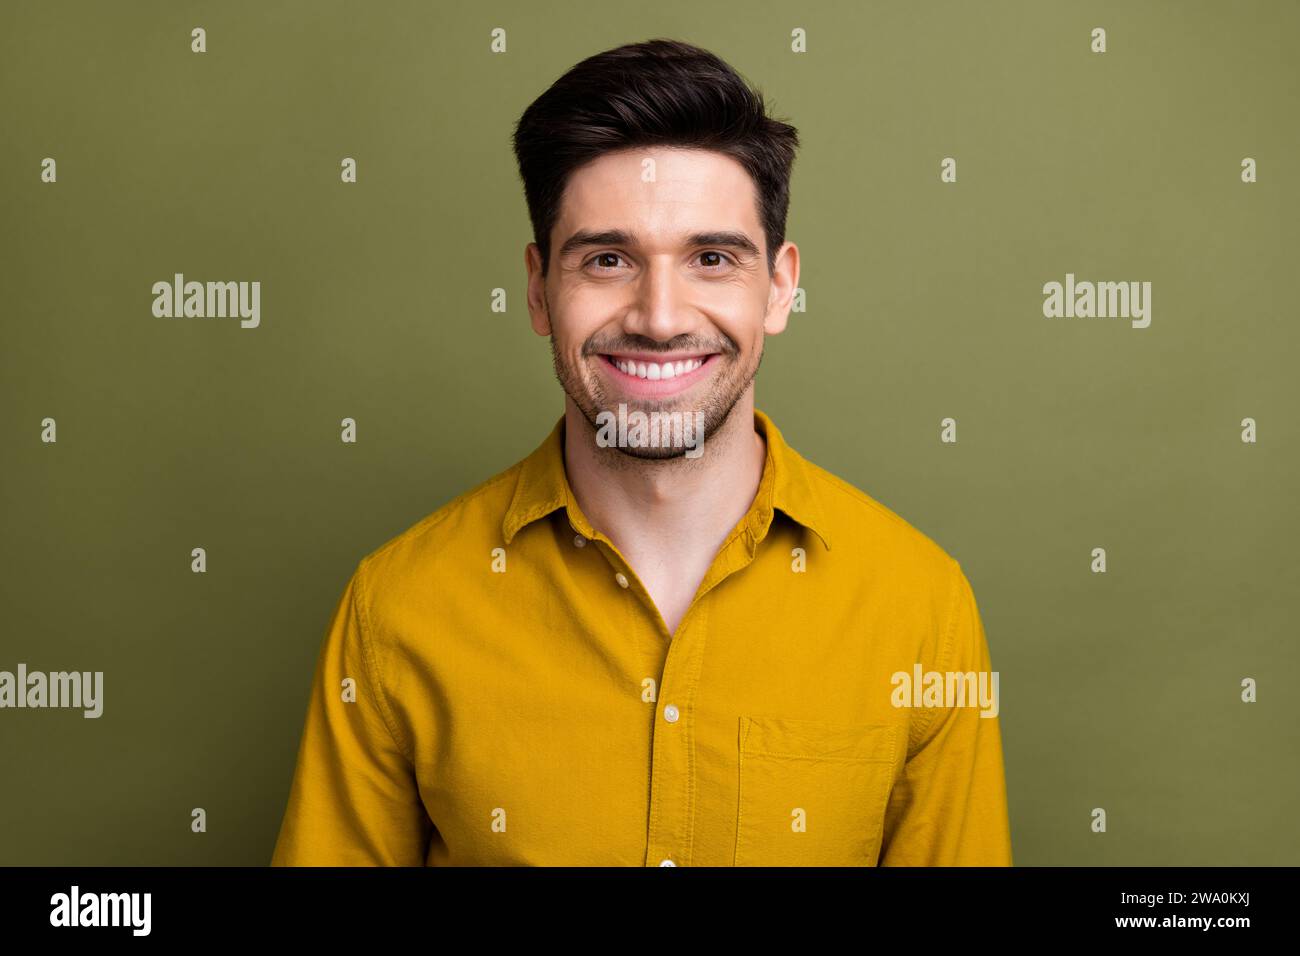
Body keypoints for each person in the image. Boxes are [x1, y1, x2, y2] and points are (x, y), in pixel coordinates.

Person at [271, 38, 1012, 867]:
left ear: (779, 287)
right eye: (608, 260)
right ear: (538, 288)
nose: (659, 316)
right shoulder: (396, 608)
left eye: (711, 258)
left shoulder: (919, 606)